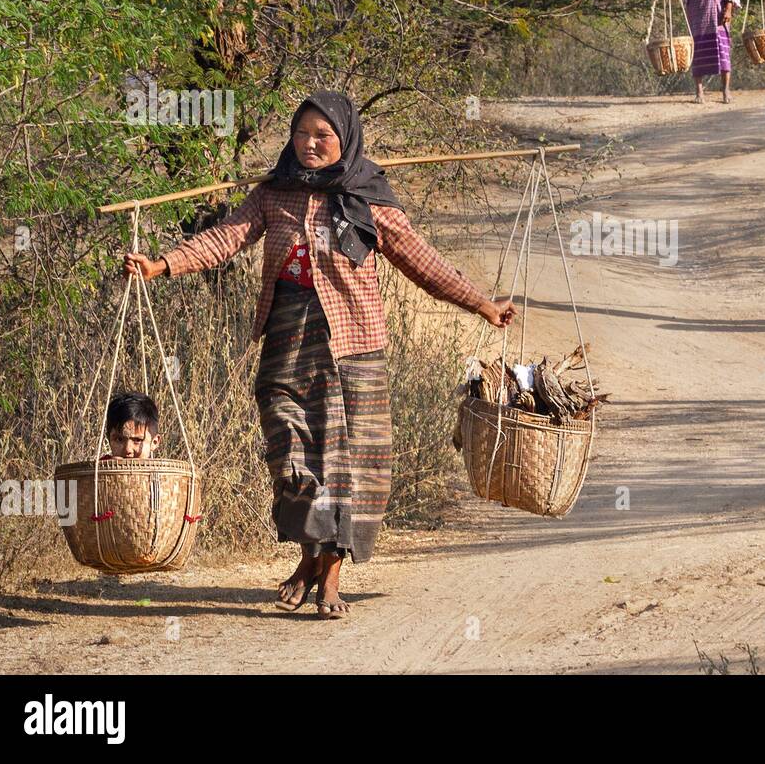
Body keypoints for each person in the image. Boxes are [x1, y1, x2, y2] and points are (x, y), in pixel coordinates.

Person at [123, 90, 516, 618]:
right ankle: (310, 557)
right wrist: (161, 265)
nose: (310, 145)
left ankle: (328, 575)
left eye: (323, 136)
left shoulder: (367, 199)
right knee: (290, 453)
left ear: (345, 140)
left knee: (342, 464)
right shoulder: (274, 193)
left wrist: (482, 304)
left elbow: (423, 263)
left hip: (352, 346)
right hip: (286, 338)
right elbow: (224, 239)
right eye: (302, 134)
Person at [101, 391, 161, 459]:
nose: (127, 450)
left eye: (137, 440)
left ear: (155, 442)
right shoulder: (98, 468)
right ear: (109, 439)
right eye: (119, 439)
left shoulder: (162, 469)